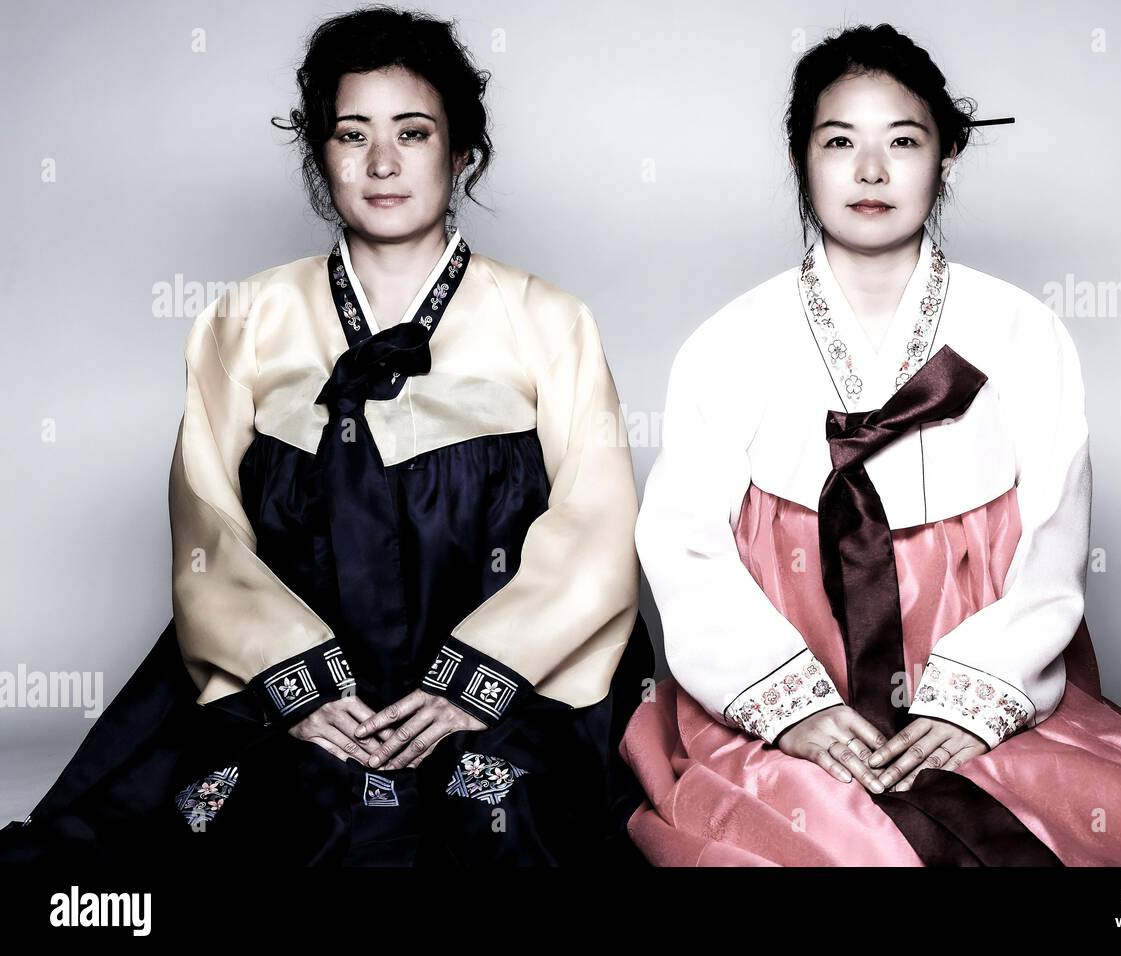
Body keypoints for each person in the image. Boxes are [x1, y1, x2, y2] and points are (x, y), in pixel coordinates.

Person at [619, 22, 1121, 866]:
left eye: (903, 141)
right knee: (825, 840)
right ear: (802, 160)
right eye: (840, 142)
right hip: (794, 654)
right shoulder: (730, 340)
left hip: (973, 645)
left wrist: (966, 701)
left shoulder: (1022, 329)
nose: (871, 171)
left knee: (1109, 829)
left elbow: (1053, 536)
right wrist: (788, 702)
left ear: (945, 158)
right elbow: (683, 543)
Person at [1, 6, 652, 867]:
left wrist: (471, 688)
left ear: (461, 154)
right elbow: (208, 527)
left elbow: (596, 532)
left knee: (499, 822)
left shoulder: (548, 321)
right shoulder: (246, 320)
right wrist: (298, 687)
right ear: (320, 154)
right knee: (276, 820)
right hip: (295, 669)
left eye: (413, 133)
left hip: (505, 676)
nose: (382, 163)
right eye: (352, 134)